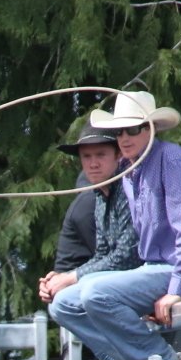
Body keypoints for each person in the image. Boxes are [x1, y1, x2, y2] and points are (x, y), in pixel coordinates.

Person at [49, 91, 181, 360]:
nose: (125, 137)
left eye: (133, 129)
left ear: (151, 128)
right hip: (154, 272)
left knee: (96, 294)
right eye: (118, 131)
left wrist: (175, 290)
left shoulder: (172, 160)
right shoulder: (129, 172)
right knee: (63, 305)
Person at [38, 127, 138, 310]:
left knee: (90, 294)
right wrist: (60, 278)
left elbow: (127, 256)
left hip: (156, 273)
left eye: (101, 155)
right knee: (61, 304)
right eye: (86, 156)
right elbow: (102, 253)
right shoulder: (100, 196)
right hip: (116, 278)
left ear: (118, 155)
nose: (93, 164)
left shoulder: (129, 189)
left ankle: (140, 340)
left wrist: (69, 278)